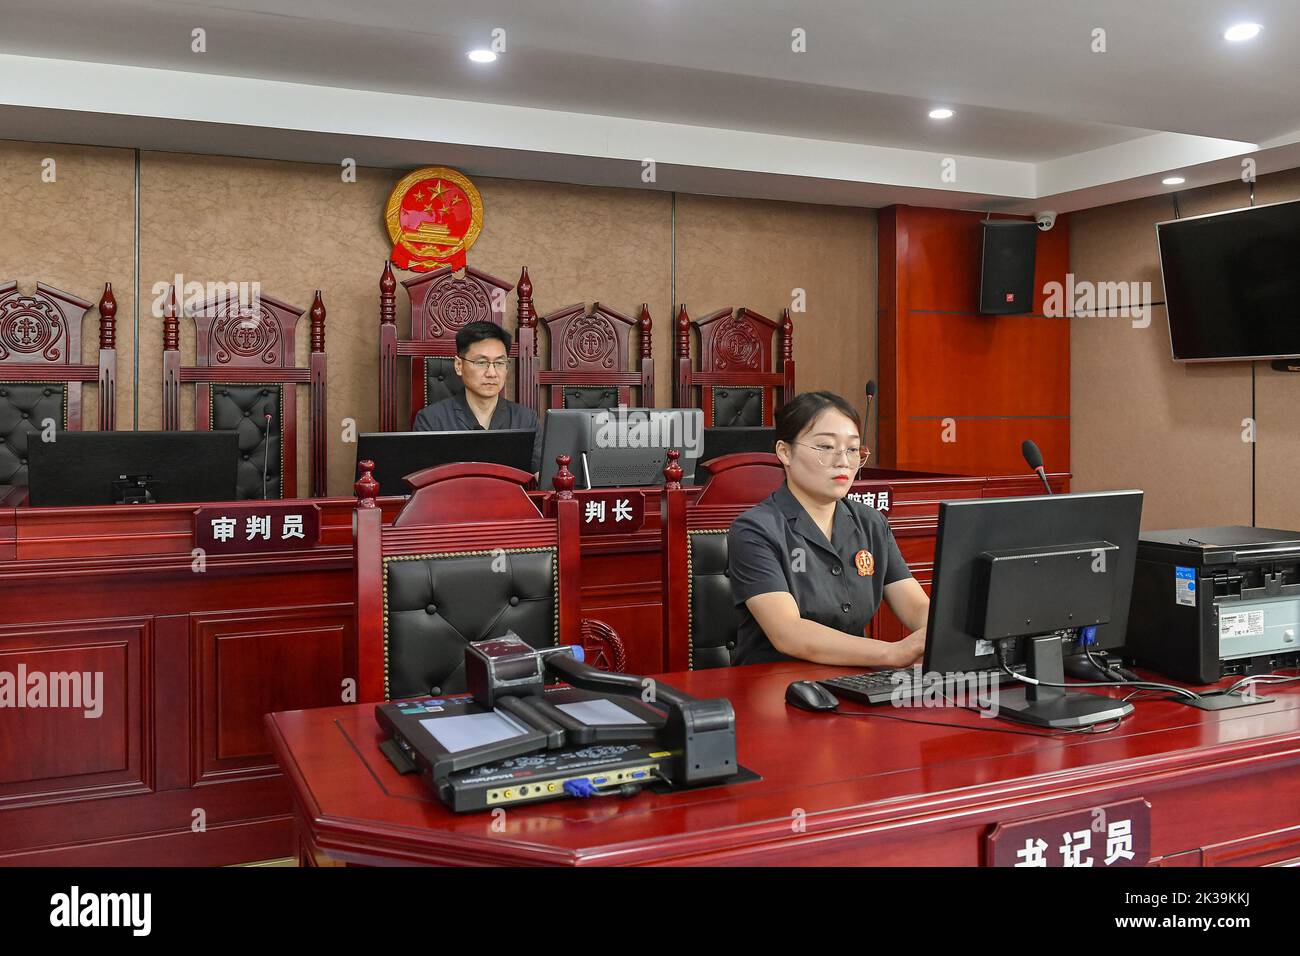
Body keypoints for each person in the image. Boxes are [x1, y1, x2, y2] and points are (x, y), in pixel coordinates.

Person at [727, 390, 928, 667]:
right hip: (775, 685)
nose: (843, 460)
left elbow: (916, 606)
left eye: (852, 449)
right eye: (825, 447)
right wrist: (892, 653)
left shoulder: (870, 523)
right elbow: (789, 633)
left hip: (856, 678)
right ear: (785, 452)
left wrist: (941, 634)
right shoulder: (755, 530)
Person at [413, 321, 542, 473]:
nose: (492, 373)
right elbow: (422, 484)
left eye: (500, 363)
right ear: (459, 366)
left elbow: (543, 479)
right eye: (481, 362)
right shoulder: (431, 420)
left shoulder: (526, 420)